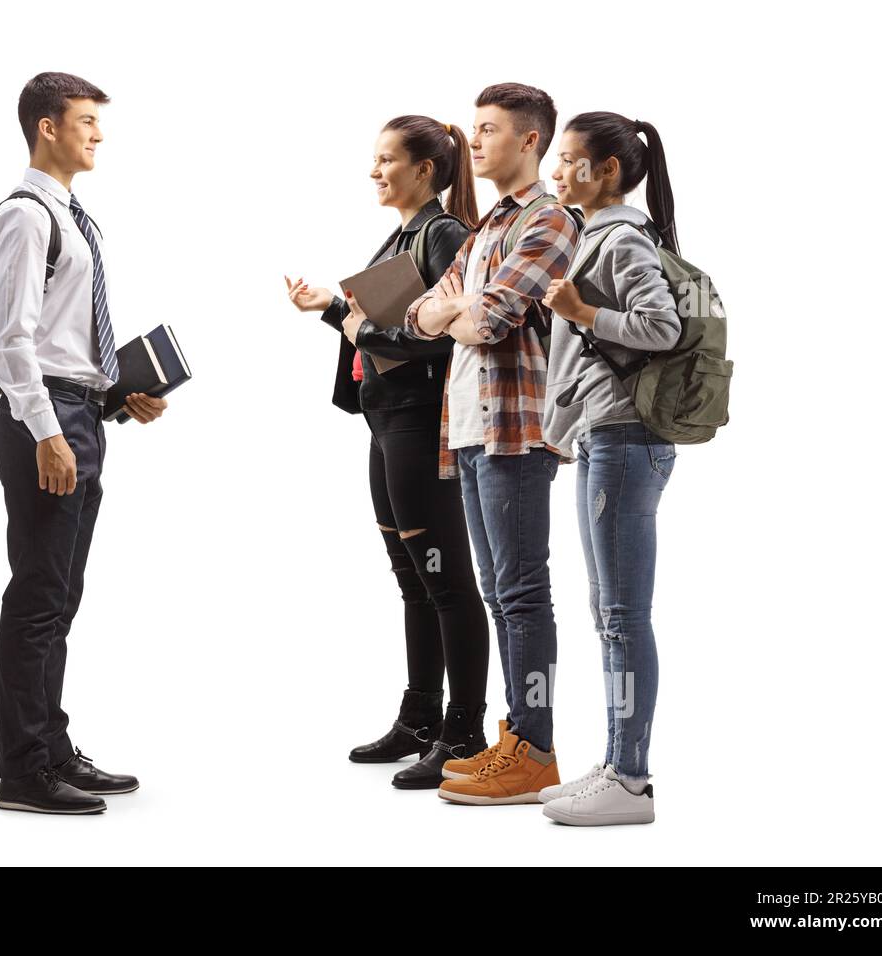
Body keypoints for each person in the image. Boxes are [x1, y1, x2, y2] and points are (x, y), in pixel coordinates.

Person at [284, 115, 493, 789]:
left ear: (425, 170)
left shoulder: (446, 235)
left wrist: (354, 320)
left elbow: (453, 336)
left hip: (421, 423)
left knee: (445, 579)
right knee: (413, 576)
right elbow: (376, 330)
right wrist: (330, 310)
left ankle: (463, 731)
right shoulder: (404, 236)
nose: (374, 170)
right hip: (386, 420)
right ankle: (421, 718)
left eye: (385, 160)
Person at [0, 72, 168, 815]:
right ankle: (23, 771)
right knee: (35, 599)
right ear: (46, 128)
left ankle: (51, 747)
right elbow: (11, 341)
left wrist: (116, 392)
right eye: (86, 120)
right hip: (47, 424)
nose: (98, 133)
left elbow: (61, 337)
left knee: (60, 596)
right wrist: (48, 432)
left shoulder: (74, 216)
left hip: (81, 415)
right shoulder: (27, 217)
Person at [403, 83, 581, 807]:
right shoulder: (479, 234)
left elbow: (497, 315)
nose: (473, 144)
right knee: (497, 593)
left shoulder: (551, 220)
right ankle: (515, 739)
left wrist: (457, 311)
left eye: (488, 130)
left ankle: (535, 749)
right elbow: (421, 314)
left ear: (531, 140)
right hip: (469, 431)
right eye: (474, 130)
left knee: (522, 590)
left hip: (515, 431)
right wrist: (452, 311)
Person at [537, 112, 682, 826]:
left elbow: (663, 328)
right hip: (604, 437)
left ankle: (631, 779)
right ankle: (617, 763)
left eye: (570, 161)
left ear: (611, 172)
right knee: (609, 613)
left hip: (626, 440)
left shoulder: (621, 237)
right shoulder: (592, 234)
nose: (558, 172)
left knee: (623, 615)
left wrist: (584, 311)